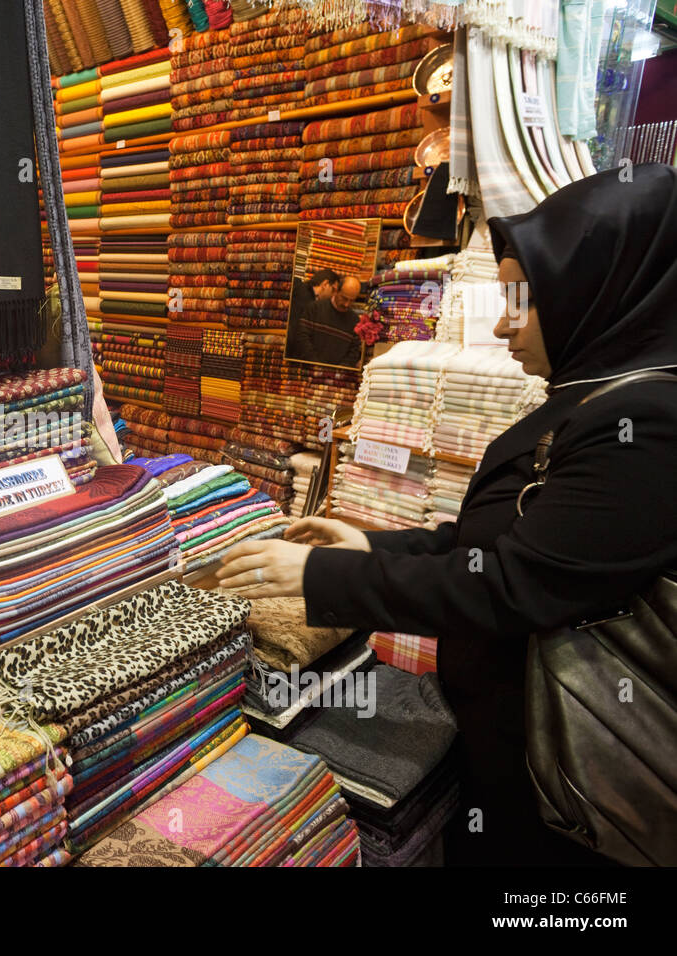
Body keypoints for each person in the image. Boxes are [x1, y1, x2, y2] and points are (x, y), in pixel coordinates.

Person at [215, 164, 677, 866]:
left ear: (596, 291)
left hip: (573, 785)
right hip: (512, 746)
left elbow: (512, 585)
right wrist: (371, 547)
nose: (501, 322)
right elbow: (487, 541)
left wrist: (323, 577)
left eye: (523, 299)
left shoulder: (645, 426)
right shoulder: (590, 395)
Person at [288, 275, 363, 367]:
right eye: (344, 298)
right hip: (307, 371)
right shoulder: (315, 308)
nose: (347, 304)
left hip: (335, 377)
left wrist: (339, 370)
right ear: (336, 291)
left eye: (352, 301)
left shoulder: (355, 321)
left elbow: (353, 352)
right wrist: (315, 365)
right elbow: (302, 338)